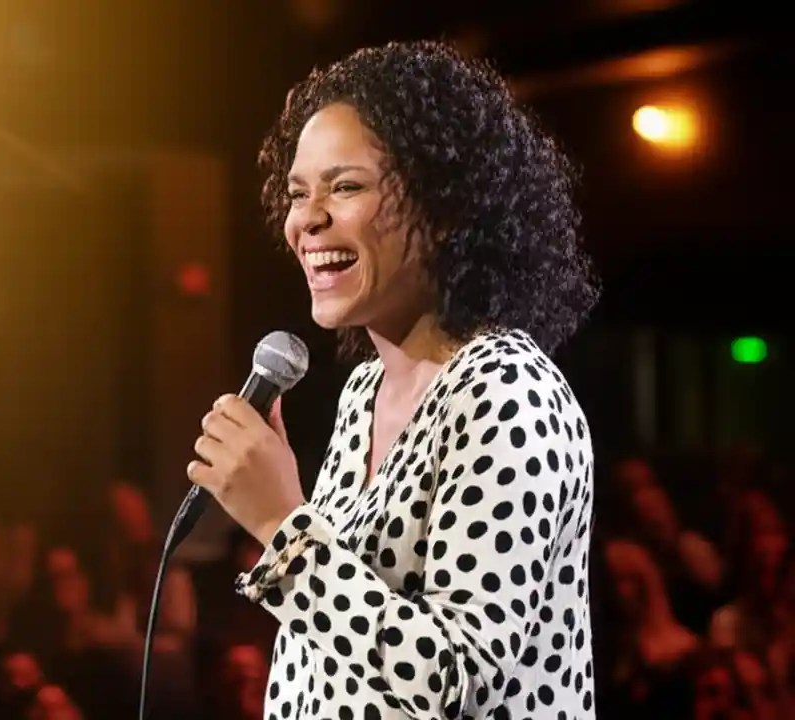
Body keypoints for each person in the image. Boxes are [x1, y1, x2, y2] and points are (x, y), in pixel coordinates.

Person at [187, 40, 600, 719]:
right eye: (297, 193)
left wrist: (281, 524)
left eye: (344, 186)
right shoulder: (364, 393)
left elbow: (455, 682)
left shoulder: (508, 393)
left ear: (446, 209)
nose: (306, 218)